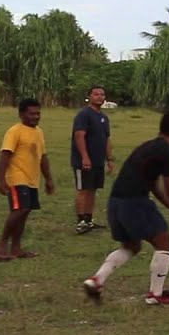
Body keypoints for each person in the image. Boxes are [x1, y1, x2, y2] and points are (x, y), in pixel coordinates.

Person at [81, 109, 169, 306]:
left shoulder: (148, 147)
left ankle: (96, 280)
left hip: (115, 202)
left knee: (131, 246)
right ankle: (155, 295)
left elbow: (155, 186)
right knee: (164, 242)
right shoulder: (168, 154)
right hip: (135, 202)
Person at [0, 98, 55, 261]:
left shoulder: (38, 132)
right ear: (21, 114)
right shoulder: (15, 131)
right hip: (16, 178)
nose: (35, 117)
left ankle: (16, 248)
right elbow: (4, 156)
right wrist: (1, 180)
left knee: (25, 212)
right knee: (18, 210)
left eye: (38, 113)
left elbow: (43, 157)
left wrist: (48, 179)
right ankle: (1, 245)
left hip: (32, 179)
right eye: (31, 113)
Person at [71, 85, 113, 234]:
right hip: (83, 160)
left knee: (92, 189)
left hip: (98, 160)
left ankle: (89, 219)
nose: (100, 97)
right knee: (83, 189)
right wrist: (84, 157)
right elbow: (79, 136)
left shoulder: (103, 117)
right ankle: (81, 221)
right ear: (89, 96)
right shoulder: (84, 114)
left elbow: (106, 138)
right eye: (96, 94)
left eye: (102, 94)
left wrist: (109, 158)